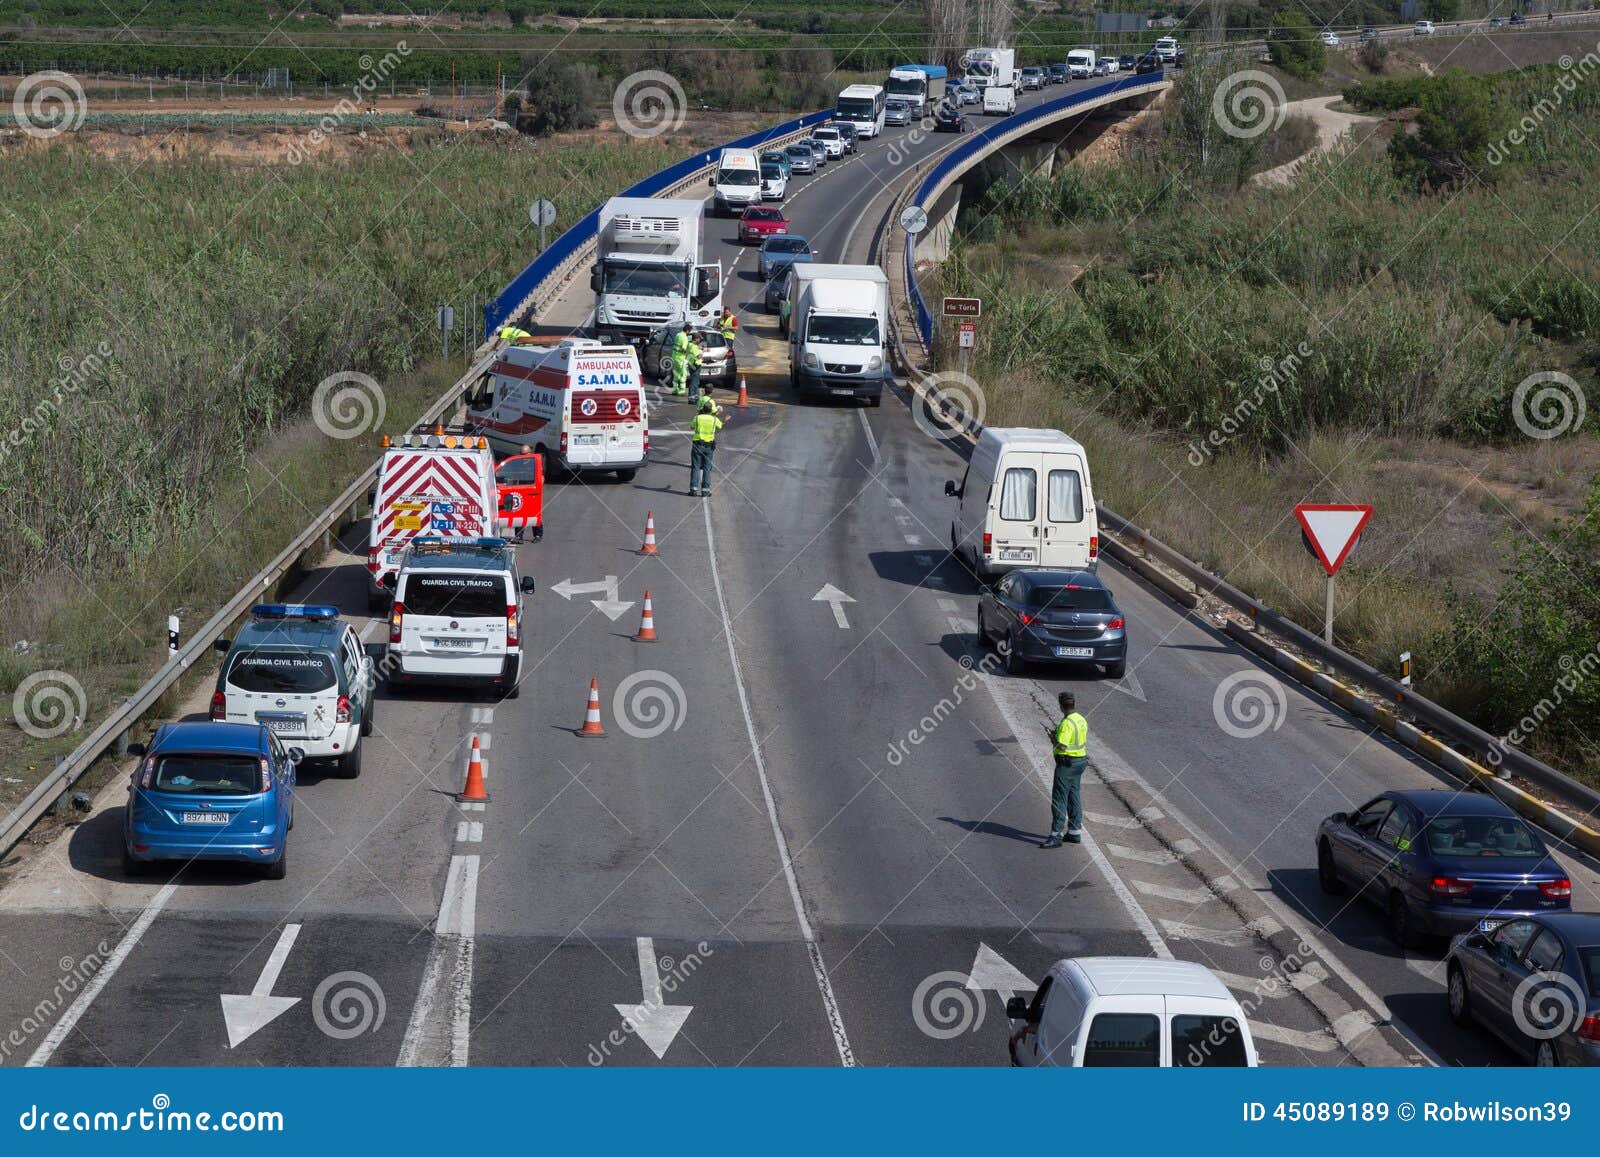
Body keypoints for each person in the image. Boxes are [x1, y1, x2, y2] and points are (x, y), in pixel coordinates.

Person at [1042, 692, 1087, 848]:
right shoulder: (1081, 719)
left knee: (1059, 798)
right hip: (1080, 762)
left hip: (1067, 764)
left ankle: (1056, 836)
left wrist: (1051, 737)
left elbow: (1062, 746)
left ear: (1061, 706)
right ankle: (1074, 832)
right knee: (1074, 795)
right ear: (1073, 704)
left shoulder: (1067, 723)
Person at [688, 395, 725, 497]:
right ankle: (705, 491)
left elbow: (691, 427)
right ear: (710, 410)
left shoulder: (697, 418)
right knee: (707, 468)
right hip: (709, 447)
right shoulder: (714, 419)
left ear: (703, 410)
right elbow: (720, 426)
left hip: (697, 445)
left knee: (695, 467)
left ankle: (693, 490)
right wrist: (725, 420)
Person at [670, 324, 692, 396]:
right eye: (690, 331)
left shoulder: (678, 335)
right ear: (688, 330)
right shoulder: (685, 338)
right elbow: (683, 348)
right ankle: (681, 390)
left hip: (674, 356)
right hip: (681, 358)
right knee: (683, 374)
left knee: (676, 374)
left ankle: (675, 390)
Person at [686, 330, 704, 404]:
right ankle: (692, 399)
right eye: (699, 339)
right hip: (695, 365)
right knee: (694, 383)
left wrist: (700, 348)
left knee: (695, 382)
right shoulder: (693, 347)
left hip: (692, 364)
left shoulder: (690, 345)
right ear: (696, 339)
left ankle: (694, 398)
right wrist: (702, 353)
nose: (700, 340)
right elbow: (698, 356)